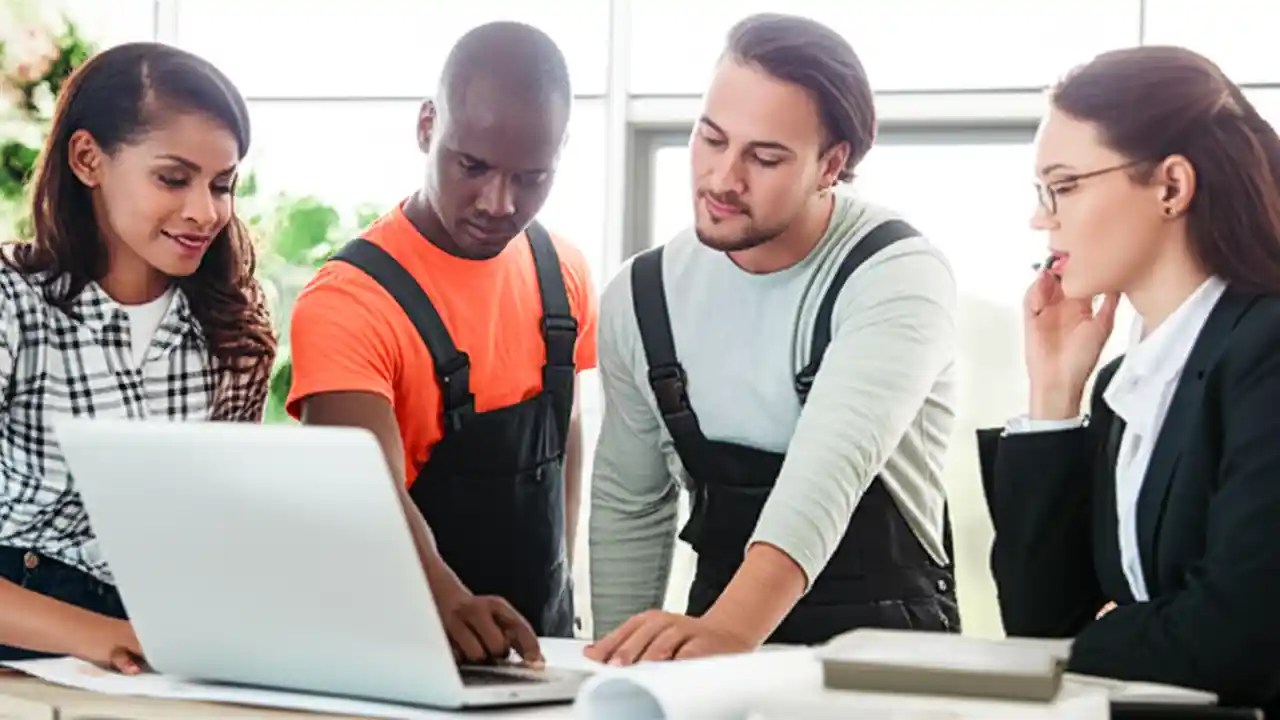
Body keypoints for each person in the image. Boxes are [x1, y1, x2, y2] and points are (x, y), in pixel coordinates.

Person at [586, 13, 960, 665]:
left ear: (831, 164)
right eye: (711, 138)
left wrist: (729, 636)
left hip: (885, 658)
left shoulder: (897, 276)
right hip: (715, 638)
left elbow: (825, 480)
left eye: (764, 158)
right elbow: (630, 505)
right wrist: (614, 673)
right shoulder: (641, 297)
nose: (723, 179)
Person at [977, 46, 1280, 713]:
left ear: (1171, 186)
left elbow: (1240, 636)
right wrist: (1054, 398)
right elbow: (1038, 628)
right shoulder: (1126, 385)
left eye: (1064, 186)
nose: (1041, 217)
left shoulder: (1266, 351)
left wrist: (1096, 635)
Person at [286, 21, 596, 666]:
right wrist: (447, 601)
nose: (499, 203)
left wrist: (563, 583)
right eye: (472, 166)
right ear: (428, 126)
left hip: (539, 656)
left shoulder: (563, 273)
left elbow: (565, 435)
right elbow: (359, 491)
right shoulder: (350, 301)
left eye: (532, 176)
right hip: (392, 655)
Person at [0, 42, 276, 673]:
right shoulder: (12, 304)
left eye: (222, 185)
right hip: (27, 646)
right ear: (87, 159)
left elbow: (222, 533)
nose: (205, 212)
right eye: (173, 179)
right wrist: (110, 637)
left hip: (168, 646)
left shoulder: (234, 328)